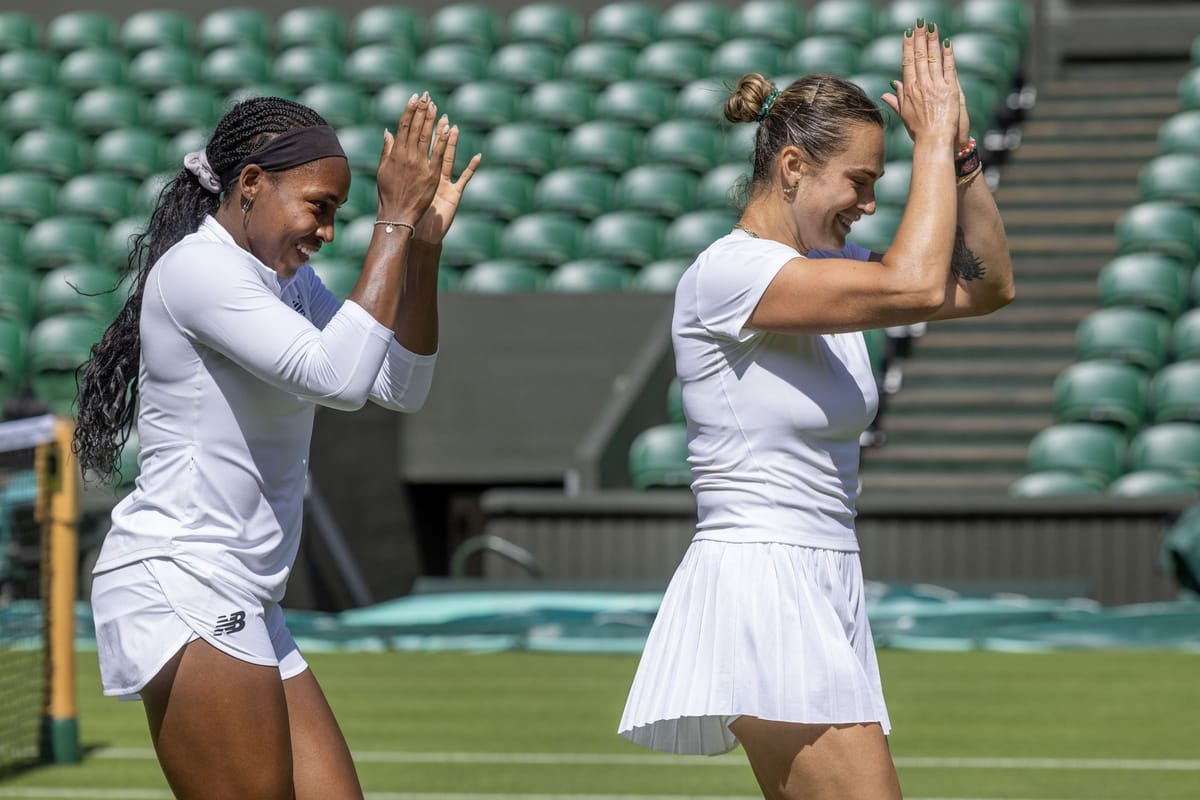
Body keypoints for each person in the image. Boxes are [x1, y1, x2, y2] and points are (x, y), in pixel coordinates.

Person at [619, 22, 1013, 800]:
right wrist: (929, 142)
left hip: (825, 574)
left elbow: (985, 287)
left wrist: (961, 158)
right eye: (860, 182)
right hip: (763, 577)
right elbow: (911, 282)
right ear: (794, 168)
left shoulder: (829, 271)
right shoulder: (729, 272)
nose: (870, 203)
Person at [73, 93, 479, 799]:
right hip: (184, 578)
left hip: (245, 594)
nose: (326, 230)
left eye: (336, 214)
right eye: (319, 206)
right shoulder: (200, 269)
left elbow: (398, 385)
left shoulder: (287, 282)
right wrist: (392, 218)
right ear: (252, 184)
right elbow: (339, 379)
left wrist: (421, 248)